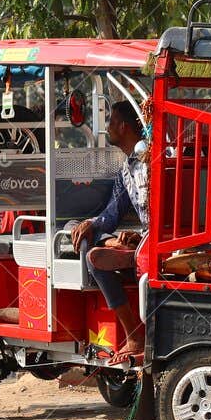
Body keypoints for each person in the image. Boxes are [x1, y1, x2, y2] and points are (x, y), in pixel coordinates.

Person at [68, 101, 147, 363]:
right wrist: (92, 224)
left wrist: (142, 236)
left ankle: (135, 335)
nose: (108, 127)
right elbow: (112, 214)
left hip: (159, 242)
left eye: (111, 122)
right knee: (86, 237)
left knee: (95, 259)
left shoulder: (150, 159)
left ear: (123, 127)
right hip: (145, 240)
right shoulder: (127, 169)